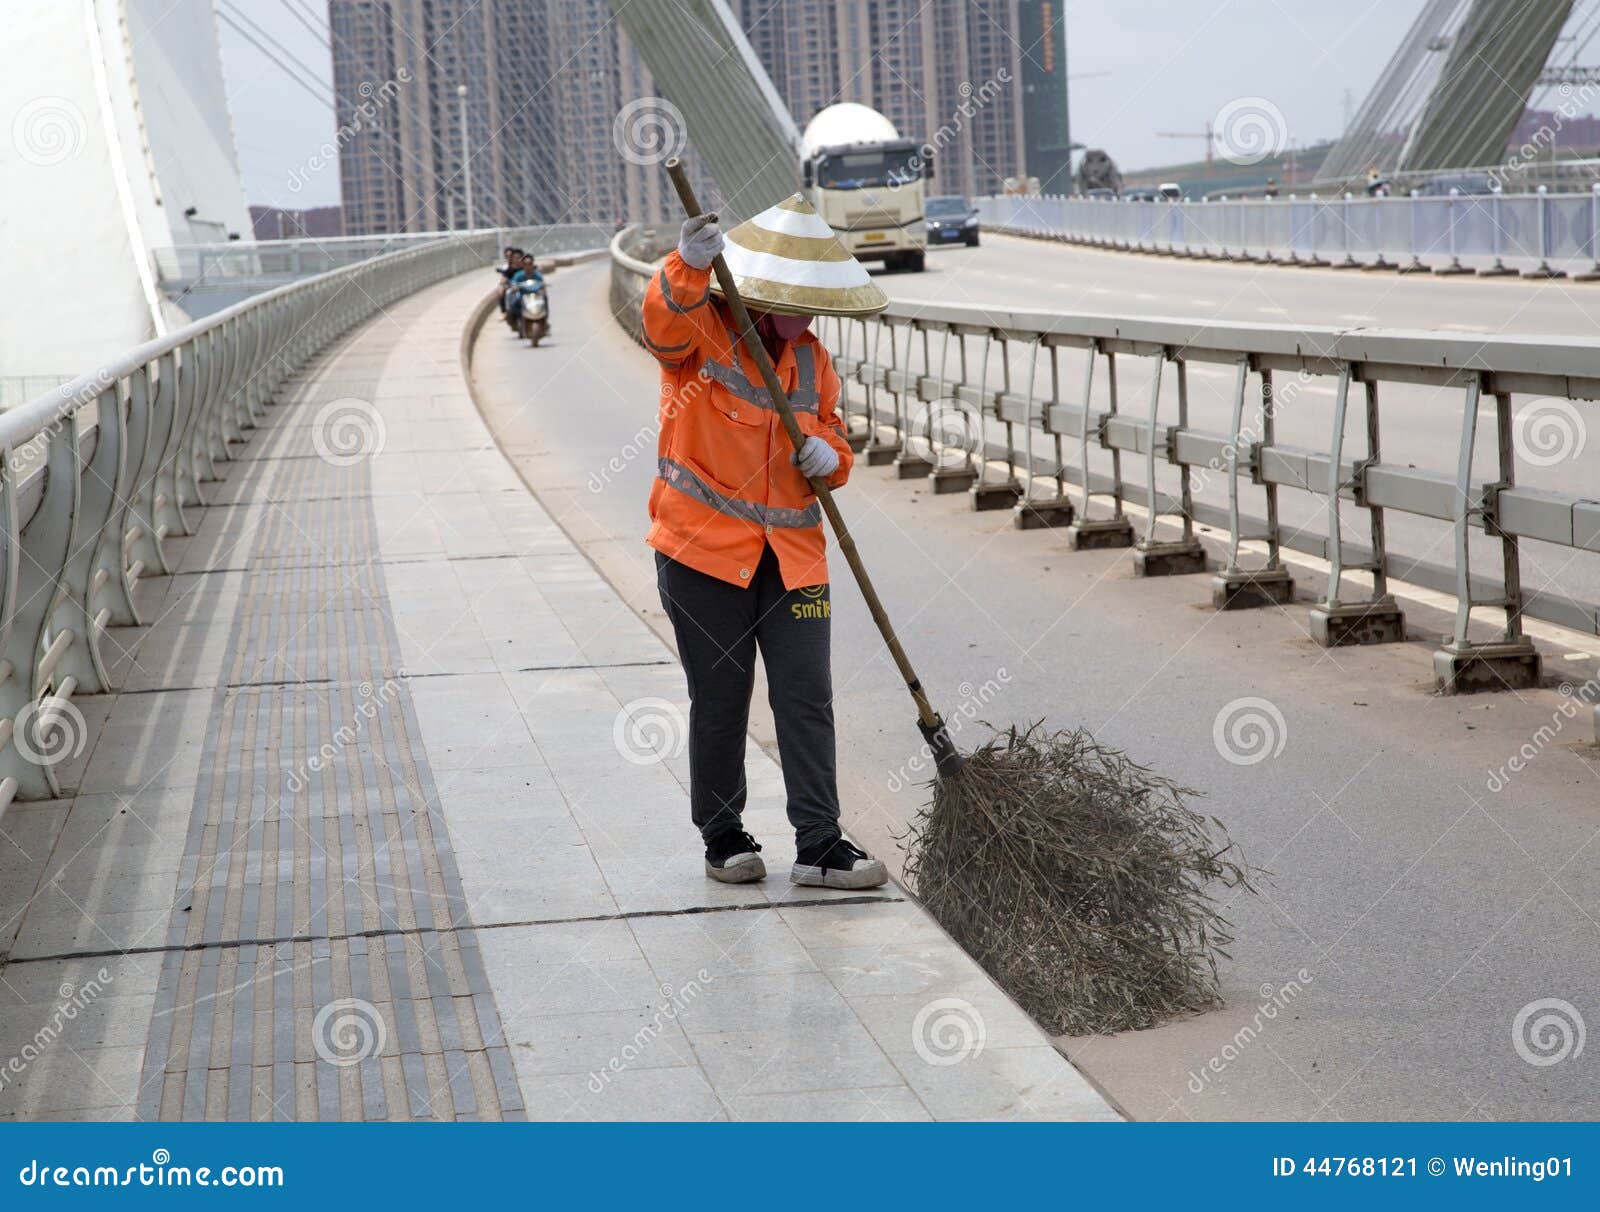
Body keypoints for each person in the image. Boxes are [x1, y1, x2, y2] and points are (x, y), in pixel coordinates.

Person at [641, 194, 891, 890]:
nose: (804, 315)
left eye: (813, 302)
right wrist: (685, 266)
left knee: (806, 695)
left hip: (796, 565)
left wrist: (827, 457)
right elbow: (661, 330)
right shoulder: (704, 335)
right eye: (794, 299)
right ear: (757, 289)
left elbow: (837, 438)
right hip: (702, 556)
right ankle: (723, 834)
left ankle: (819, 844)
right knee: (721, 697)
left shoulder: (812, 359)